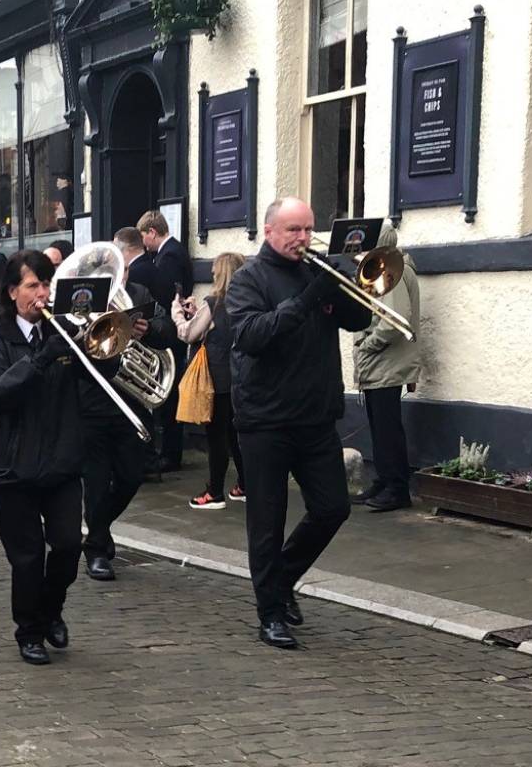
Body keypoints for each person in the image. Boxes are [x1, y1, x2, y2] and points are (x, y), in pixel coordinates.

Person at [228, 197, 372, 649]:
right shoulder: (248, 279)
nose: (303, 239)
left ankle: (281, 580)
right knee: (267, 521)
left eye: (309, 230)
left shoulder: (318, 272)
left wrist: (351, 288)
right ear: (269, 231)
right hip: (264, 420)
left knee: (333, 508)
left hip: (314, 416)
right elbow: (252, 336)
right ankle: (270, 612)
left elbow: (361, 319)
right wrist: (310, 299)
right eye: (293, 230)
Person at [0, 249, 112, 665]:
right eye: (34, 285)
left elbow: (100, 377)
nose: (43, 294)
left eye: (47, 285)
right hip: (13, 468)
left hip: (62, 461)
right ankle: (29, 631)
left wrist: (110, 342)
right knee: (28, 557)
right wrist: (41, 358)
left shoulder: (62, 333)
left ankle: (51, 611)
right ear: (13, 291)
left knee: (68, 547)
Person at [78, 246, 176, 582]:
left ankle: (96, 530)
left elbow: (168, 330)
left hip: (131, 402)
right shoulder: (83, 299)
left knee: (132, 476)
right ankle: (97, 550)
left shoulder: (139, 294)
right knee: (94, 481)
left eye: (120, 272)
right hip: (92, 405)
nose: (118, 278)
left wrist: (149, 330)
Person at [352, 228, 421, 512]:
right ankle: (385, 481)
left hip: (385, 363)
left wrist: (368, 345)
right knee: (381, 428)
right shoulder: (390, 267)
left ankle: (396, 488)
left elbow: (394, 320)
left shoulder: (391, 270)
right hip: (383, 364)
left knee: (387, 429)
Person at [174, 252, 248, 510]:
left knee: (215, 436)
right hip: (237, 377)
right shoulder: (245, 301)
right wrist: (197, 314)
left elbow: (188, 333)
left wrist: (178, 314)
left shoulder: (214, 301)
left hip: (213, 378)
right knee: (233, 432)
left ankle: (214, 492)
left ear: (221, 273)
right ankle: (245, 484)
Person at [138, 210, 195, 472]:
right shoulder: (169, 252)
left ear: (152, 231)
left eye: (143, 236)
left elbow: (169, 294)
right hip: (171, 328)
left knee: (169, 391)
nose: (143, 243)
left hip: (171, 330)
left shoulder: (169, 255)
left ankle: (171, 453)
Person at [116, 227, 157, 293]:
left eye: (117, 248)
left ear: (129, 248)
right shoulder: (151, 264)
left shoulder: (133, 273)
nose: (116, 254)